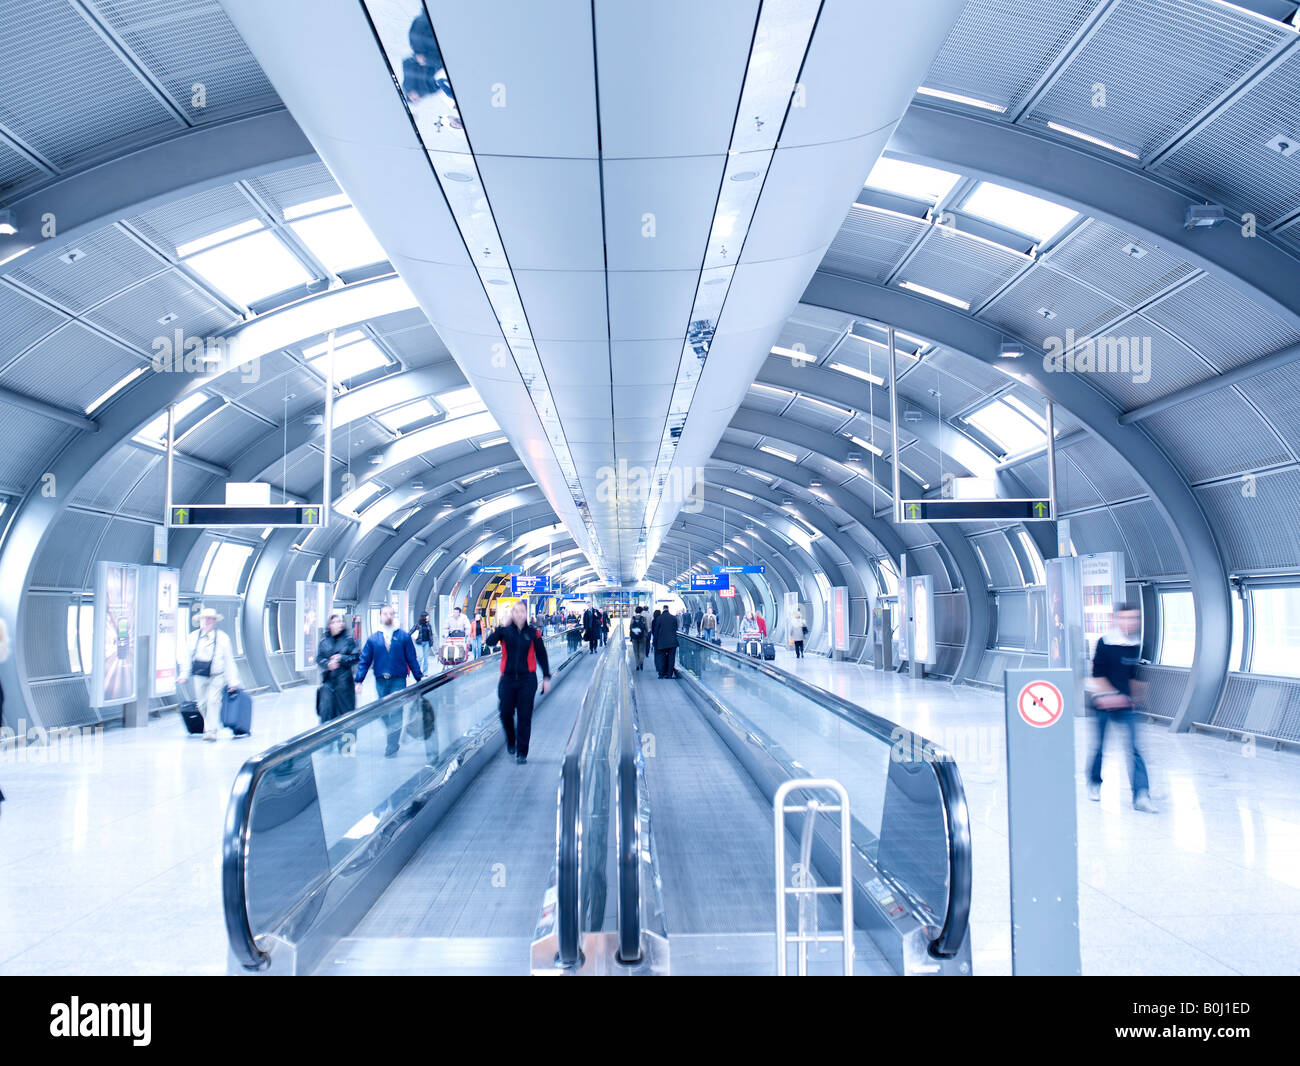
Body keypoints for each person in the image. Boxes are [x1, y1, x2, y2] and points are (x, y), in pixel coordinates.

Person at [1086, 603, 1157, 813]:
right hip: (1103, 705)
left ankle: (1141, 794)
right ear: (1117, 620)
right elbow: (1097, 677)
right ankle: (1094, 783)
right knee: (1099, 748)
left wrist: (1136, 698)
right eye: (1125, 618)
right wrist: (1113, 697)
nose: (1129, 623)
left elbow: (1134, 676)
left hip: (1126, 706)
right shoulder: (1105, 643)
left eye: (1134, 618)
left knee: (1135, 749)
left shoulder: (1137, 644)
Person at [483, 600, 552, 764]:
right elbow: (490, 642)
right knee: (505, 712)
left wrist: (546, 677)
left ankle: (522, 752)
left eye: (522, 611)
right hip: (507, 679)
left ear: (526, 614)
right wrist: (502, 626)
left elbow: (541, 655)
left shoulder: (533, 633)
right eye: (516, 611)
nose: (519, 614)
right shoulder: (504, 632)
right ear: (512, 614)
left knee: (524, 716)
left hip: (527, 679)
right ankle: (511, 739)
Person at [355, 603, 424, 757]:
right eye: (385, 613)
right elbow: (365, 660)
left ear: (394, 616)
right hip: (381, 680)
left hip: (398, 679)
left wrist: (418, 677)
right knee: (383, 711)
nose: (388, 616)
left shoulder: (403, 637)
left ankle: (392, 744)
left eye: (391, 613)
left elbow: (411, 658)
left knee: (397, 710)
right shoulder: (374, 639)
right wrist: (359, 680)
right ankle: (393, 730)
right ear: (380, 616)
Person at [179, 608, 240, 741]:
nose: (206, 621)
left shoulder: (222, 638)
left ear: (214, 621)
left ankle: (211, 730)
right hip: (200, 675)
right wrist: (184, 674)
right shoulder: (193, 637)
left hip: (217, 675)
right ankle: (210, 726)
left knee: (213, 700)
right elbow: (187, 657)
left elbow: (229, 660)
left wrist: (232, 681)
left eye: (209, 619)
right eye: (204, 619)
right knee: (202, 703)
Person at [316, 614, 360, 725]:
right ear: (330, 625)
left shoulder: (349, 640)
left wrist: (341, 658)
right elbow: (319, 658)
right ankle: (326, 741)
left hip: (345, 684)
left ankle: (347, 742)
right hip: (328, 684)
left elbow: (356, 657)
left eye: (340, 621)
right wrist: (327, 664)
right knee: (326, 715)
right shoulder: (324, 641)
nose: (338, 624)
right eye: (334, 622)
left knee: (347, 718)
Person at [651, 605, 679, 679]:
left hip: (662, 642)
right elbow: (676, 628)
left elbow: (656, 631)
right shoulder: (674, 618)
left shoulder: (659, 618)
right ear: (668, 609)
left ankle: (661, 674)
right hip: (673, 642)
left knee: (661, 658)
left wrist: (654, 642)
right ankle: (669, 674)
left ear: (663, 609)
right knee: (671, 659)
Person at [628, 606, 650, 672]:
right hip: (642, 637)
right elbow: (646, 628)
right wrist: (646, 634)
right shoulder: (643, 618)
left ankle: (637, 664)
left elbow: (630, 627)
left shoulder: (633, 618)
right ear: (641, 611)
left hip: (634, 637)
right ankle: (641, 663)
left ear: (635, 611)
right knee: (642, 651)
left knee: (636, 651)